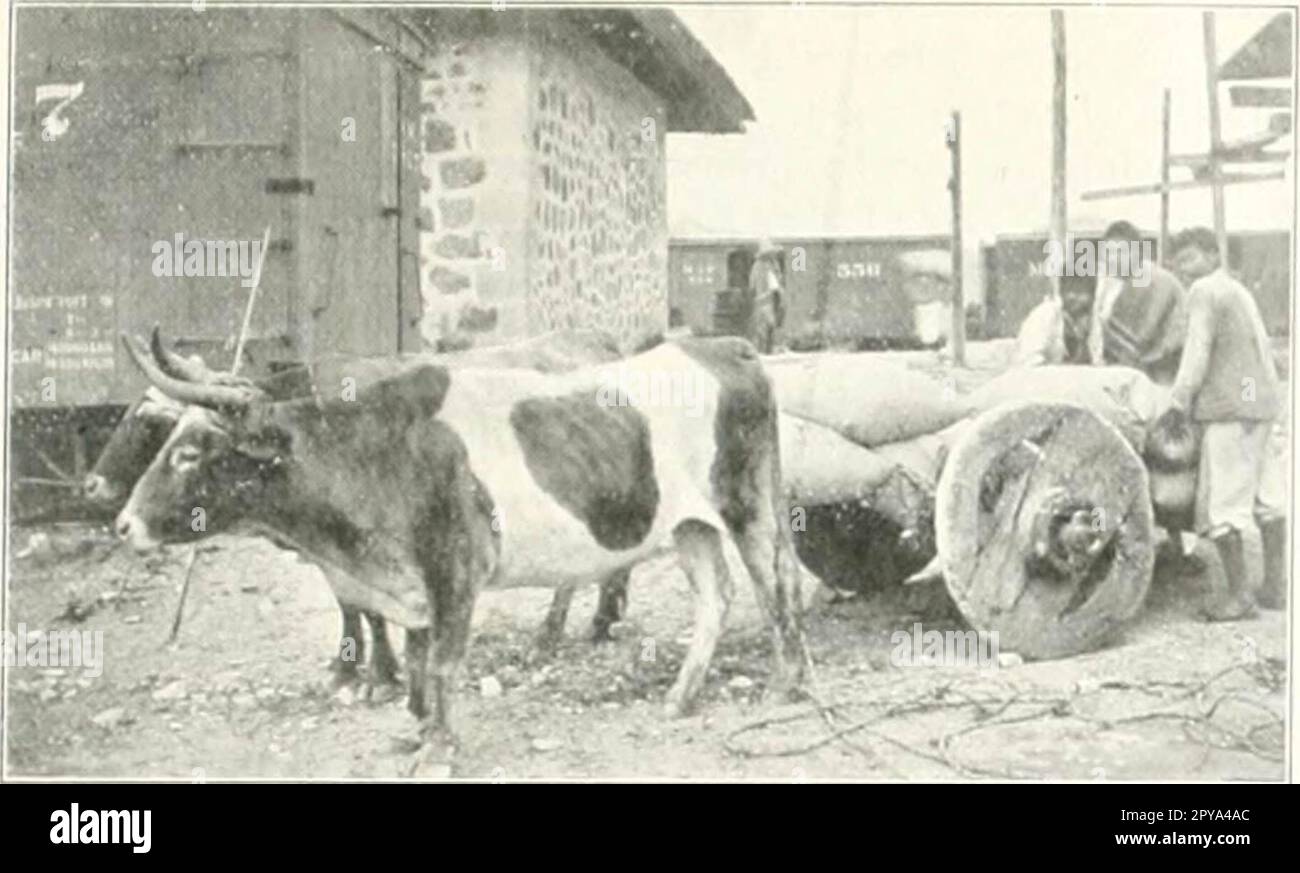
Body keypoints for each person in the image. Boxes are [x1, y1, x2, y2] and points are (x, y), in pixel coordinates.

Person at [1167, 227, 1287, 619]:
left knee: (1222, 508)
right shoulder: (1238, 290)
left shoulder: (1204, 291)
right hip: (1258, 404)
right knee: (1268, 500)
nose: (1183, 270)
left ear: (1210, 255)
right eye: (1178, 262)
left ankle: (1239, 596)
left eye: (1188, 259)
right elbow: (1259, 353)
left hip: (1229, 410)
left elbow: (1197, 352)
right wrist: (1257, 404)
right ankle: (1275, 587)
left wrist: (1178, 402)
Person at [1091, 220, 1188, 385]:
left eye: (1121, 252)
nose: (1113, 259)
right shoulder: (1119, 283)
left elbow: (1137, 339)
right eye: (1107, 253)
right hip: (1145, 370)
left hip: (1162, 374)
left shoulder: (1149, 278)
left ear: (1138, 252)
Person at [1013, 273, 1096, 367]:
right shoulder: (1045, 314)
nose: (1074, 297)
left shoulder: (1089, 320)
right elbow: (1029, 361)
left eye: (1082, 291)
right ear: (1061, 291)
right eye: (1069, 290)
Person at [745, 239, 785, 353]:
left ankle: (767, 347)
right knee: (766, 324)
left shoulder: (771, 266)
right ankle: (765, 348)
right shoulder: (760, 267)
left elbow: (753, 285)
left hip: (770, 298)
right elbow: (754, 285)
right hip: (764, 298)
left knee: (769, 323)